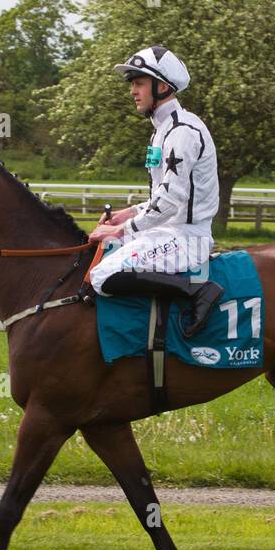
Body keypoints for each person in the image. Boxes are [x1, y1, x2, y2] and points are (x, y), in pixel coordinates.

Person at [86, 45, 224, 338]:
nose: (133, 91)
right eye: (133, 84)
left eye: (139, 84)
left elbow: (170, 201)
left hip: (187, 239)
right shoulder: (162, 130)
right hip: (168, 232)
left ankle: (198, 291)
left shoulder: (181, 131)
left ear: (161, 87)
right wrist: (129, 213)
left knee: (102, 275)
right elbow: (165, 196)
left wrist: (120, 231)